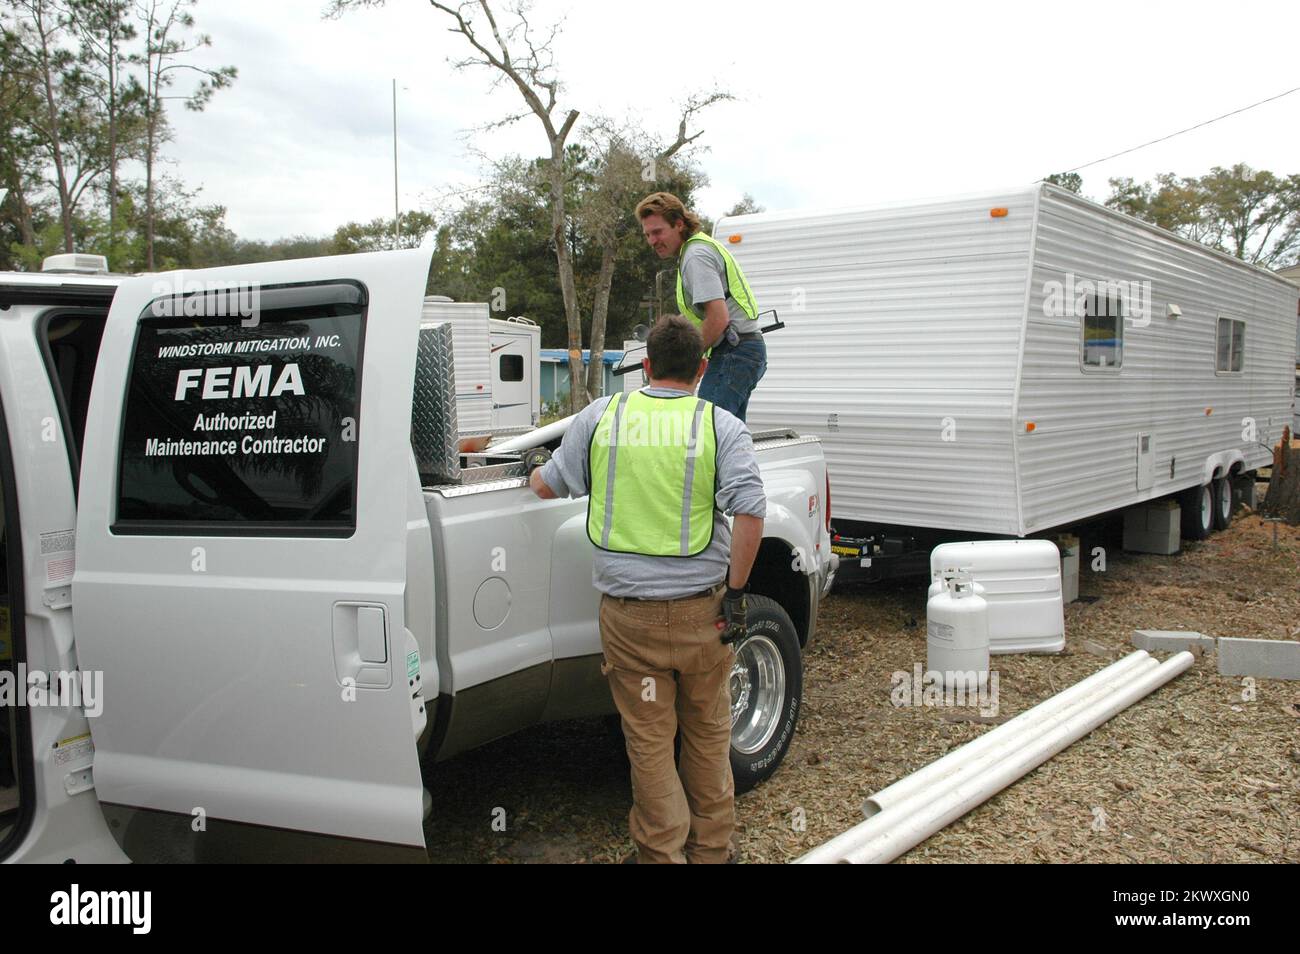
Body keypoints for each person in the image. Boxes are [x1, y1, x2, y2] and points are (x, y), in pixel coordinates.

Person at [528, 315, 766, 864]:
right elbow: (750, 513)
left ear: (646, 367)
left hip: (630, 620)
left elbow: (545, 487)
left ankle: (662, 855)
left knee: (650, 740)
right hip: (705, 615)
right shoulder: (720, 425)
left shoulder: (603, 416)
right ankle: (712, 852)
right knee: (708, 733)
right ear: (702, 368)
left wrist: (534, 469)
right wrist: (736, 592)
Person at [635, 191, 767, 422]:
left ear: (678, 224)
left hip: (734, 353)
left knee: (701, 429)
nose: (652, 241)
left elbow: (717, 318)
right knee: (725, 438)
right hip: (741, 352)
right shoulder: (696, 250)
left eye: (657, 232)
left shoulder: (695, 256)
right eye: (647, 234)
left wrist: (684, 361)